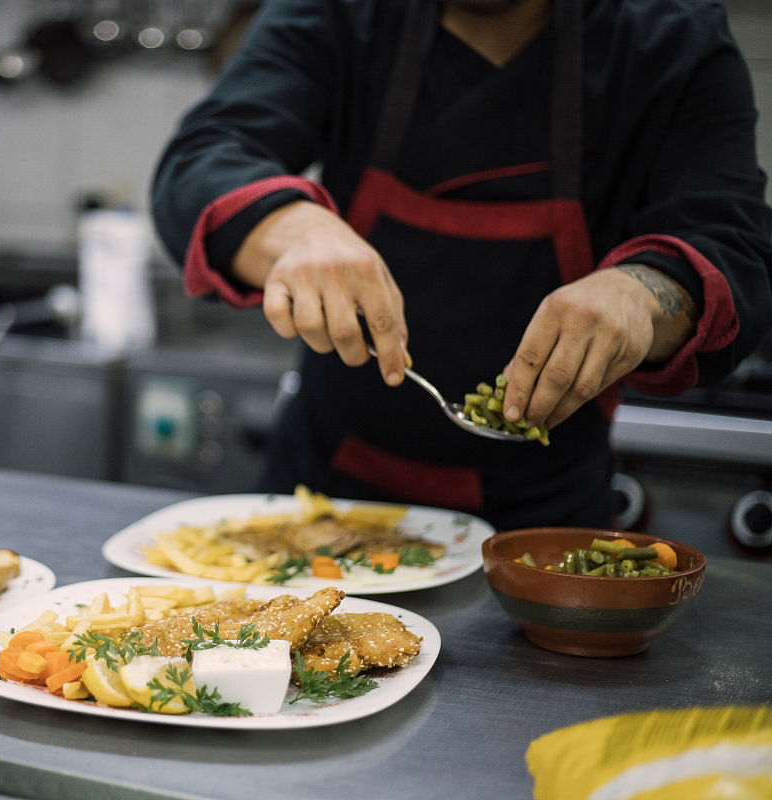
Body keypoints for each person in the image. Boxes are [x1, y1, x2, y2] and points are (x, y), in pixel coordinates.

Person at [149, 0, 772, 531]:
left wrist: (642, 293)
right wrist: (296, 231)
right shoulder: (340, 12)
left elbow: (734, 245)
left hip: (547, 525)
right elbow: (204, 156)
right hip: (323, 504)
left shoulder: (672, 36)